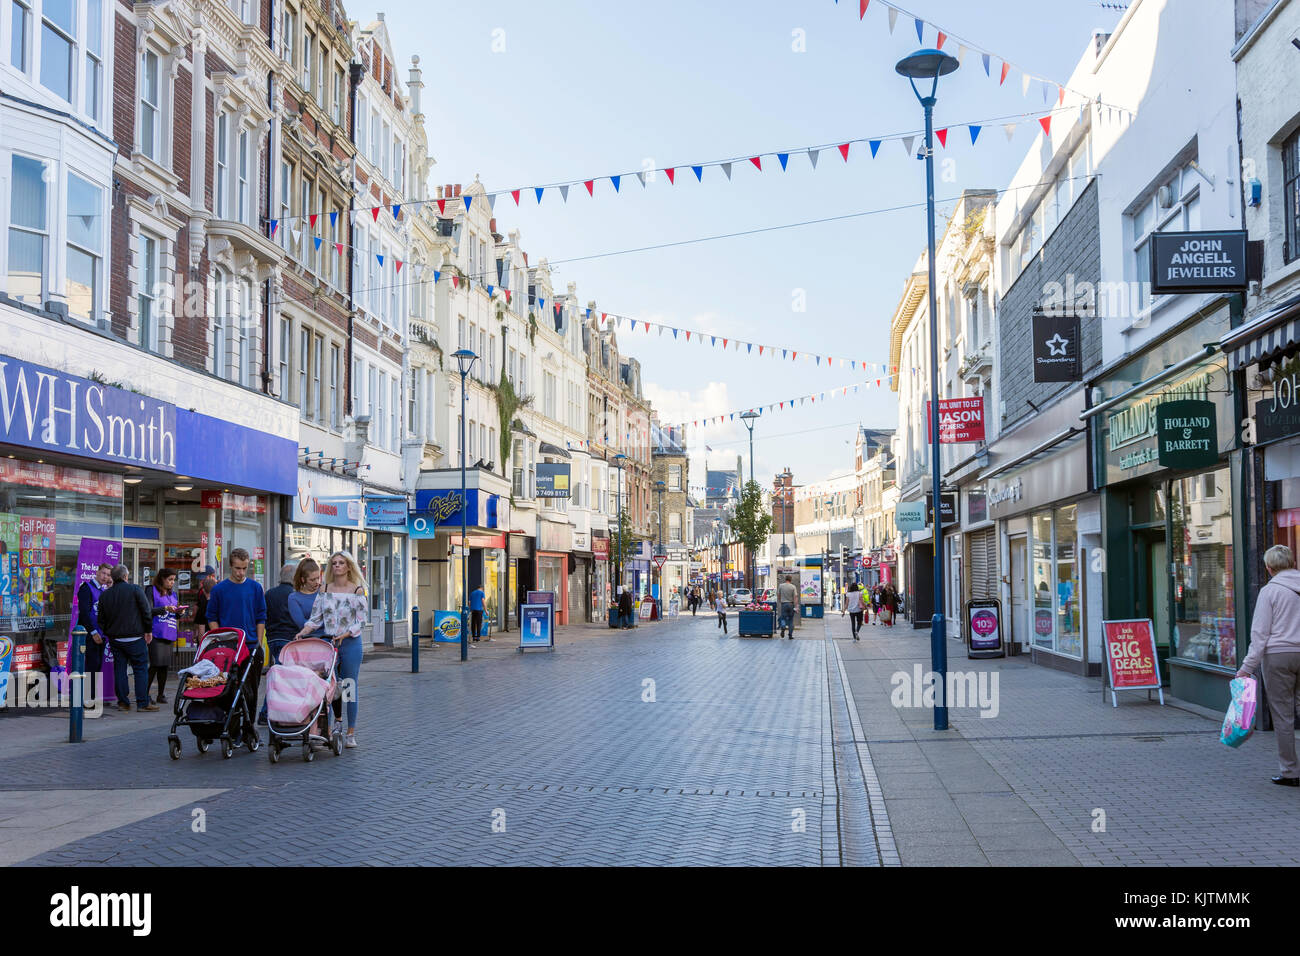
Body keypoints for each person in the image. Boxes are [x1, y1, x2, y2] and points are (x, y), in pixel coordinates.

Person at [1236, 544, 1300, 786]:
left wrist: (1246, 668)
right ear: (1293, 563)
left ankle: (1290, 772)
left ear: (1269, 568)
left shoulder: (1269, 592)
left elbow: (1260, 635)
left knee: (1284, 716)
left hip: (1278, 657)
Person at [294, 551, 368, 749]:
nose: (337, 566)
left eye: (341, 563)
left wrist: (346, 634)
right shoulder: (324, 590)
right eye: (334, 563)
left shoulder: (357, 591)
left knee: (349, 686)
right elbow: (316, 619)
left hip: (350, 643)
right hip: (329, 643)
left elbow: (361, 622)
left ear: (348, 567)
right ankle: (333, 725)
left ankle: (350, 732)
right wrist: (303, 632)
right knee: (329, 686)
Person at [206, 549, 268, 722]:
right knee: (228, 688)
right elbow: (211, 617)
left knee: (251, 690)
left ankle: (249, 728)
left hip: (250, 646)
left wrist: (259, 643)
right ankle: (231, 726)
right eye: (237, 569)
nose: (241, 573)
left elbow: (261, 616)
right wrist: (220, 638)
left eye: (244, 568)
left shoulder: (255, 588)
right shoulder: (219, 589)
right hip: (228, 647)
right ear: (230, 567)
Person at [96, 565, 157, 712]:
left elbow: (101, 619)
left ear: (113, 577)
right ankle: (142, 703)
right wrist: (148, 630)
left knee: (120, 670)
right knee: (140, 669)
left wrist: (109, 633)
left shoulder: (105, 595)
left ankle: (123, 702)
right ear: (125, 576)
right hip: (135, 637)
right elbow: (146, 612)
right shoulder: (135, 590)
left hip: (115, 639)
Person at [258, 562, 300, 725]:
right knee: (282, 678)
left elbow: (263, 615)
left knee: (280, 675)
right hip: (288, 640)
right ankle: (266, 712)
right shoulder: (294, 595)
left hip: (272, 639)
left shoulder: (269, 594)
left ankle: (269, 711)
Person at [75, 562, 113, 704]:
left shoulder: (103, 591)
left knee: (97, 667)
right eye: (103, 573)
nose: (105, 577)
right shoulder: (87, 588)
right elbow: (84, 614)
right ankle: (87, 698)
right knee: (91, 666)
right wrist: (93, 632)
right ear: (97, 572)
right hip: (89, 634)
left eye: (108, 575)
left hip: (101, 635)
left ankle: (93, 696)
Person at [146, 568, 181, 705]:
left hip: (169, 633)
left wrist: (180, 612)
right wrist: (165, 609)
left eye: (174, 580)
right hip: (156, 632)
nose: (172, 582)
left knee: (164, 666)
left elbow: (176, 613)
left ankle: (161, 694)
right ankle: (145, 694)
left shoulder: (173, 594)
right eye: (170, 579)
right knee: (155, 664)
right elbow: (148, 610)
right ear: (162, 579)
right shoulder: (151, 590)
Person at [778, 575, 797, 640]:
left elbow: (779, 595)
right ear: (791, 580)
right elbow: (795, 597)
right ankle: (790, 635)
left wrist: (781, 601)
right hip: (791, 604)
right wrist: (796, 606)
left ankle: (783, 626)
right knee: (791, 620)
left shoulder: (781, 586)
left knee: (783, 618)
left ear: (785, 579)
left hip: (784, 604)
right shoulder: (793, 587)